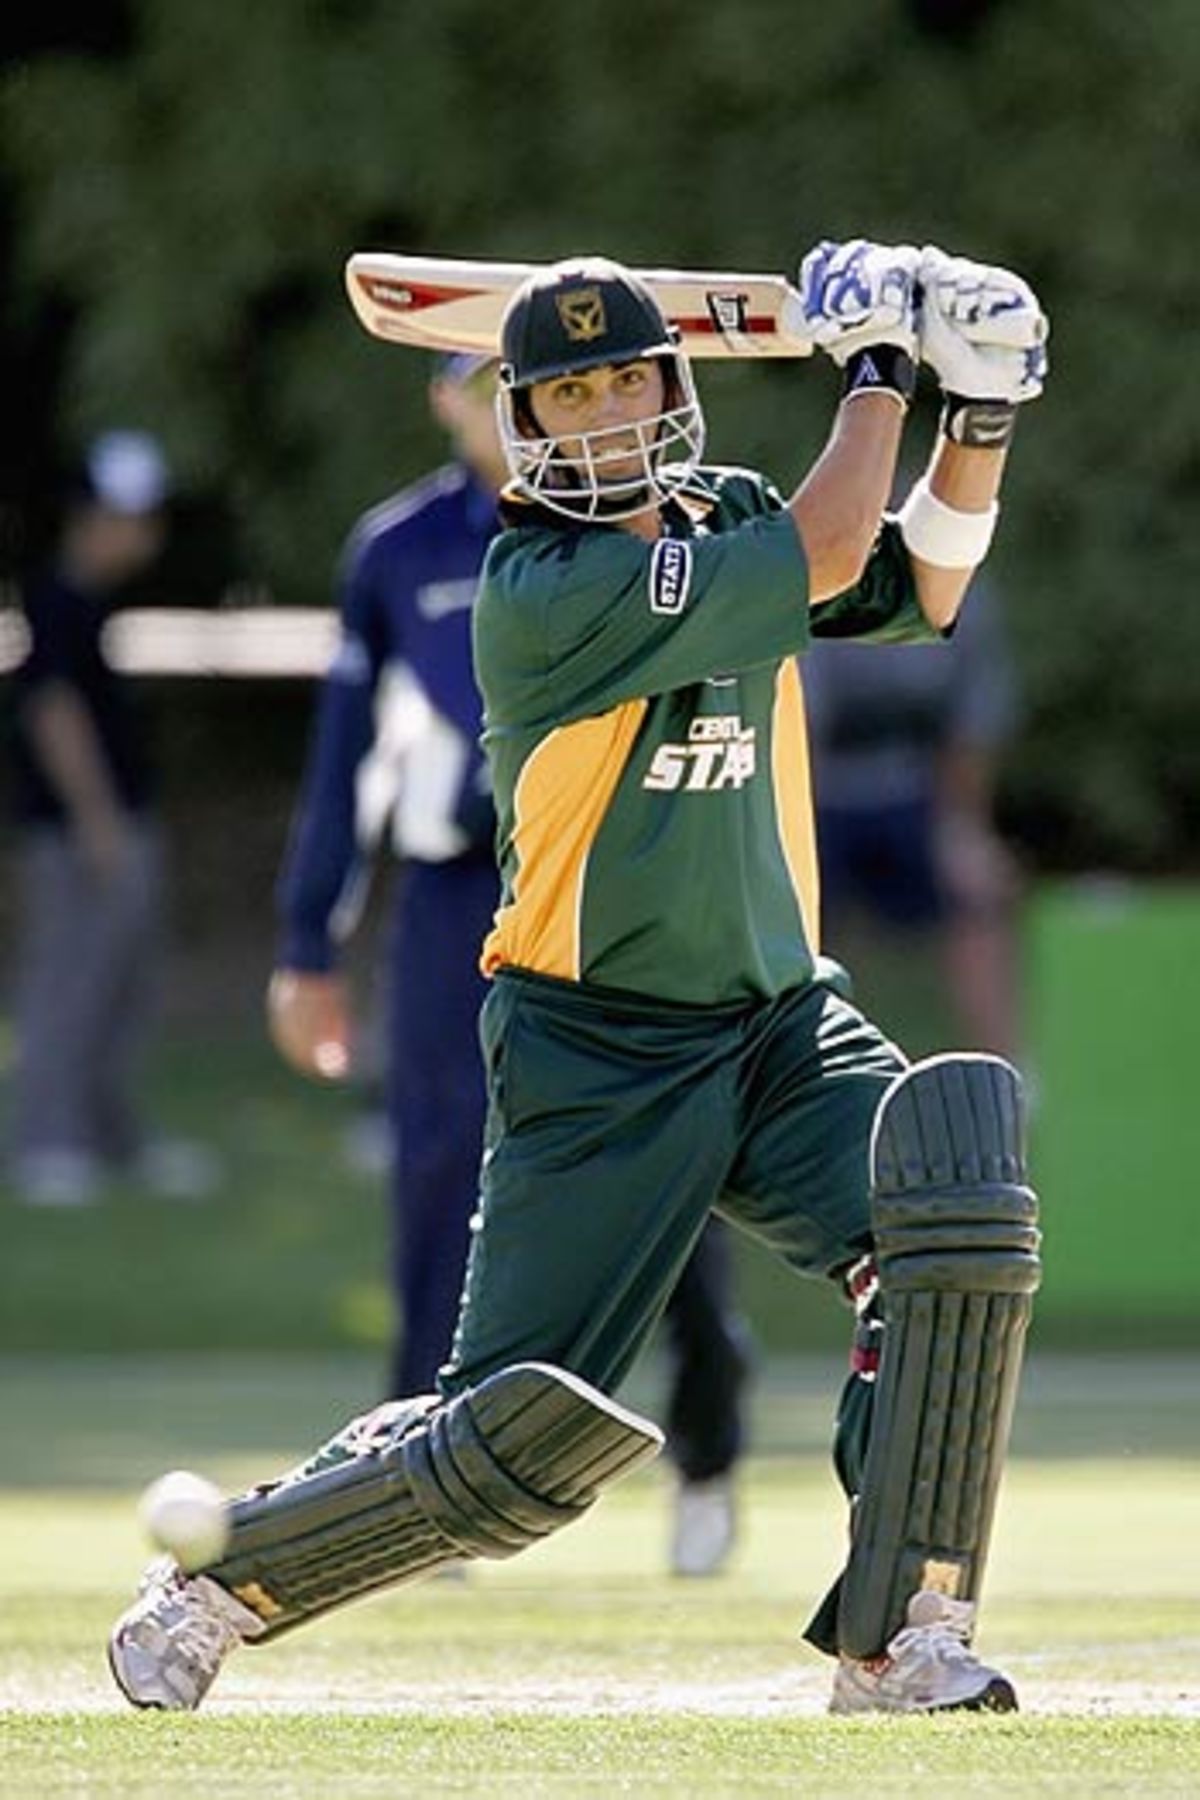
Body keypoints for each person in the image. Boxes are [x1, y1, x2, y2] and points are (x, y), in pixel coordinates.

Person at [108, 238, 1048, 1716]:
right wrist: (878, 369)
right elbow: (815, 553)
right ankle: (223, 1584)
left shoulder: (735, 511)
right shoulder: (537, 589)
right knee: (516, 1452)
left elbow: (916, 583)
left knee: (957, 1216)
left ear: (675, 385)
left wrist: (980, 414)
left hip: (778, 1019)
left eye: (630, 378)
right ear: (521, 427)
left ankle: (903, 1633)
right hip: (597, 1047)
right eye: (568, 396)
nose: (606, 413)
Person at [265, 352, 749, 1578]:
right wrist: (304, 941)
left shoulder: (652, 523)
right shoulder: (400, 550)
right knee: (438, 1175)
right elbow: (346, 763)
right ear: (442, 396)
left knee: (668, 1168)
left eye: (517, 377)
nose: (500, 400)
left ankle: (705, 1455)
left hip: (613, 878)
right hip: (455, 897)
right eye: (476, 376)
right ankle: (421, 1490)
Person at [4, 430, 219, 1207]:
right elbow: (52, 712)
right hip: (78, 833)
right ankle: (49, 1144)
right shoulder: (55, 599)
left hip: (110, 825)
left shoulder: (90, 605)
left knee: (121, 985)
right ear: (90, 517)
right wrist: (98, 820)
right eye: (132, 516)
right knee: (69, 981)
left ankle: (107, 1136)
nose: (146, 533)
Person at [804, 556, 1023, 1060]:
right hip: (820, 792)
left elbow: (972, 724)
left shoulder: (961, 583)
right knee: (787, 911)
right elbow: (795, 723)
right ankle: (803, 1074)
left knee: (979, 891)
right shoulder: (810, 566)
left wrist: (965, 828)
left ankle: (1004, 1074)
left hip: (915, 793)